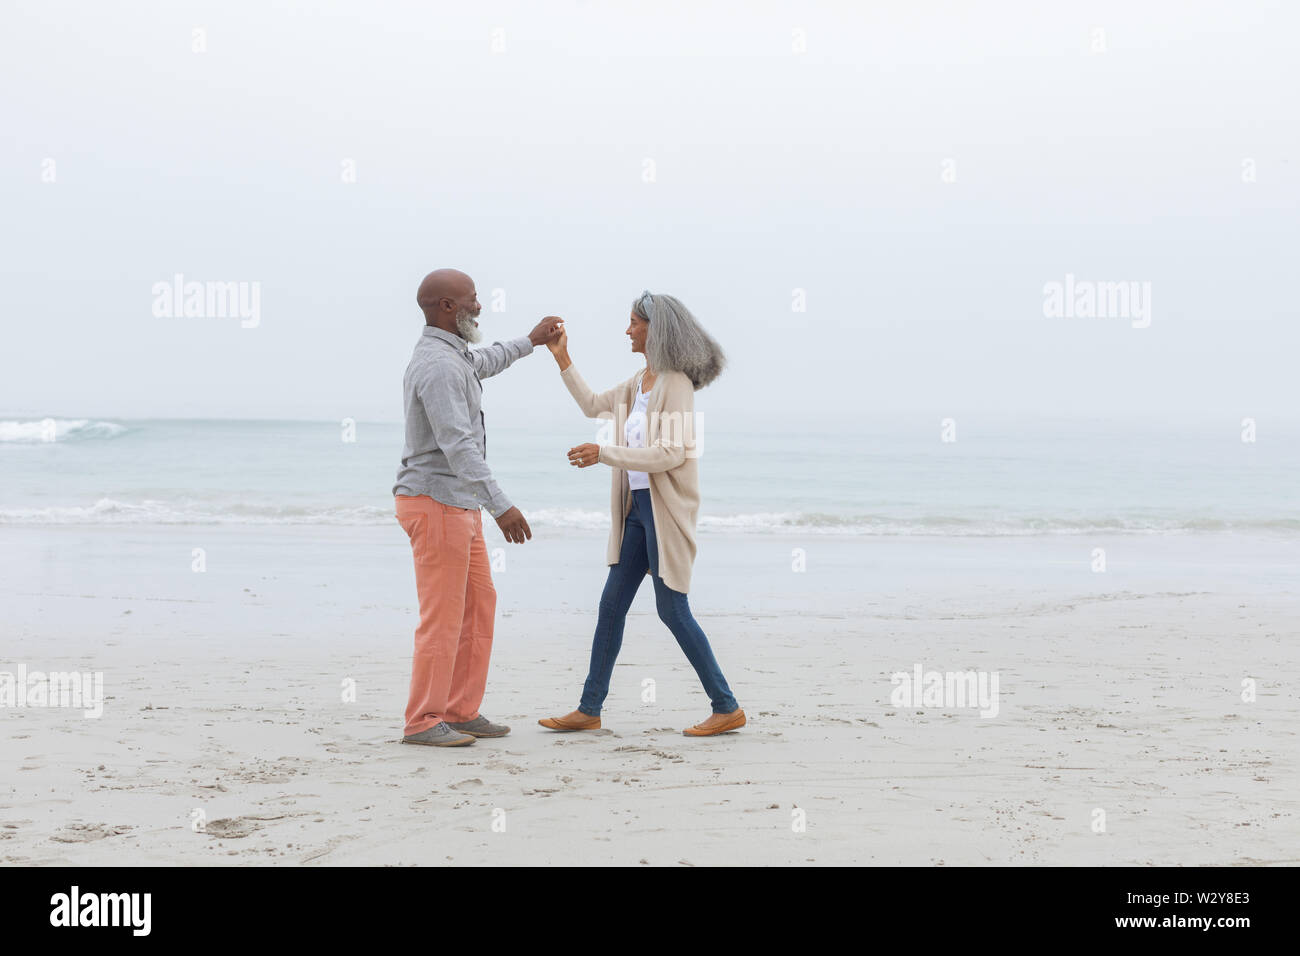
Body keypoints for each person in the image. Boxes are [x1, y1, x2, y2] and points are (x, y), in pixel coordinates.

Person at [538, 291, 745, 737]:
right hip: (635, 512)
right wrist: (562, 358)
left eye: (634, 322)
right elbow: (593, 404)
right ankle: (589, 708)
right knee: (611, 606)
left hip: (663, 513)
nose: (628, 330)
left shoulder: (676, 384)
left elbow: (670, 455)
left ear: (656, 329)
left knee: (672, 610)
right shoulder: (638, 383)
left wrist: (605, 453)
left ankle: (726, 706)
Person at [393, 268, 561, 747]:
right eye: (471, 299)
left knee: (478, 606)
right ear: (446, 307)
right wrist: (502, 506)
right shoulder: (439, 366)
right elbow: (458, 446)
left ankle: (460, 710)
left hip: (457, 503)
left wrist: (531, 341)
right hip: (435, 501)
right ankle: (423, 721)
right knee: (443, 617)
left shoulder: (455, 356)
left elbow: (485, 360)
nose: (479, 305)